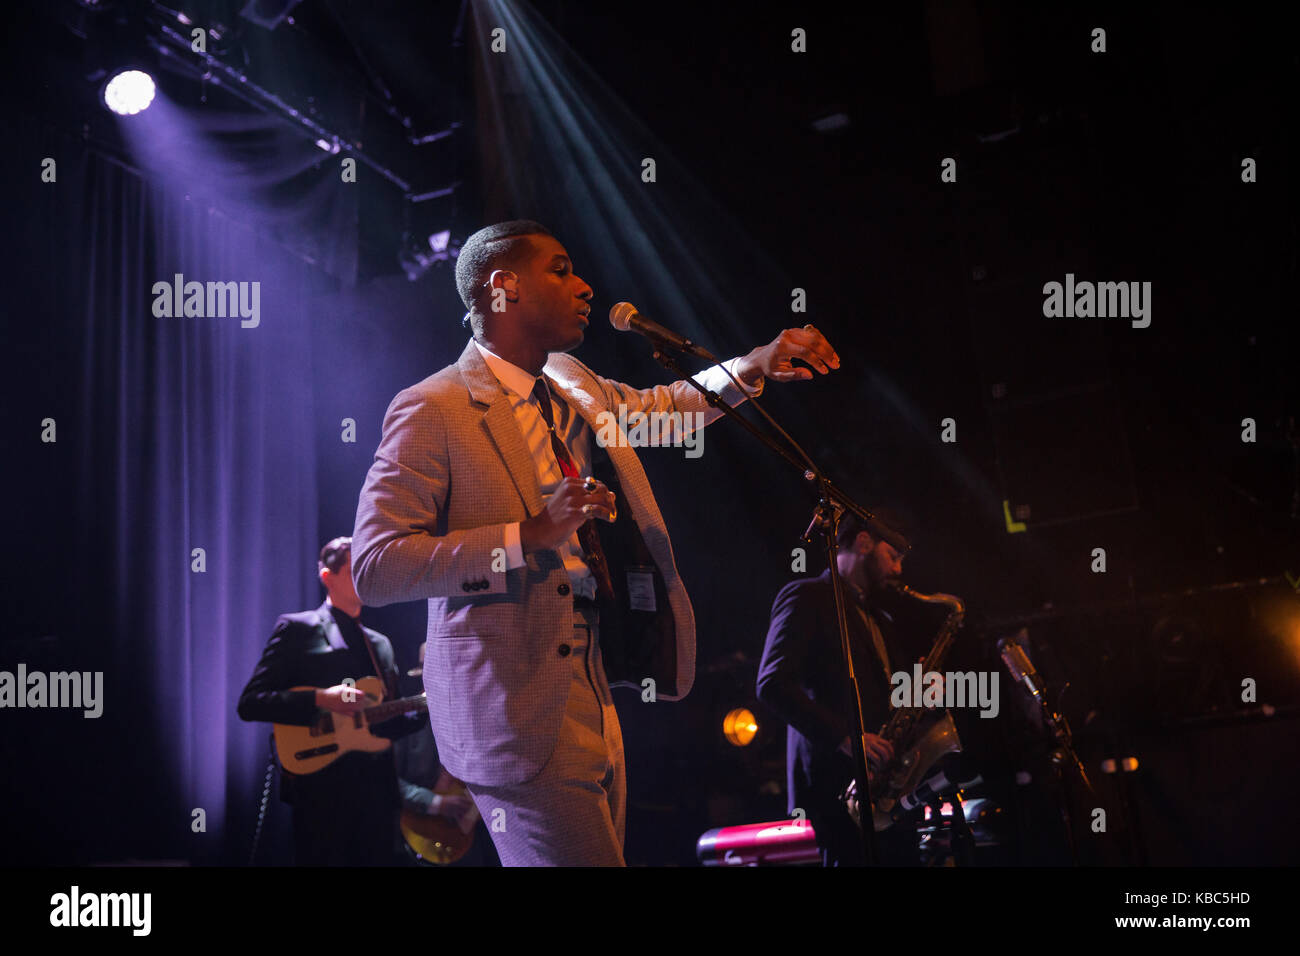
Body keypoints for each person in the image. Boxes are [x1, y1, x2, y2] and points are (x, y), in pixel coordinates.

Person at [351, 219, 840, 866]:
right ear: (504, 288)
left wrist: (752, 365)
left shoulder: (572, 383)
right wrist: (527, 537)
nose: (584, 286)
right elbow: (377, 568)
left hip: (594, 683)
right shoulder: (432, 407)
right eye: (560, 269)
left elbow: (664, 410)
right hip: (511, 704)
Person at [237, 536, 424, 866]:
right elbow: (252, 703)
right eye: (355, 569)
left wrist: (427, 707)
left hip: (376, 796)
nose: (365, 576)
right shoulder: (299, 629)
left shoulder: (379, 644)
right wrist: (323, 698)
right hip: (321, 795)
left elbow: (387, 724)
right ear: (327, 576)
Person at [756, 509, 923, 866]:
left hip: (883, 787)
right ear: (864, 542)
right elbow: (772, 684)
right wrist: (848, 738)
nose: (898, 570)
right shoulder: (806, 595)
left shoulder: (879, 617)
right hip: (835, 784)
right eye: (892, 556)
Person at [394, 642, 501, 866]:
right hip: (424, 831)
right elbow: (389, 781)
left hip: (479, 837)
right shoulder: (405, 720)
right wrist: (434, 802)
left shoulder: (481, 716)